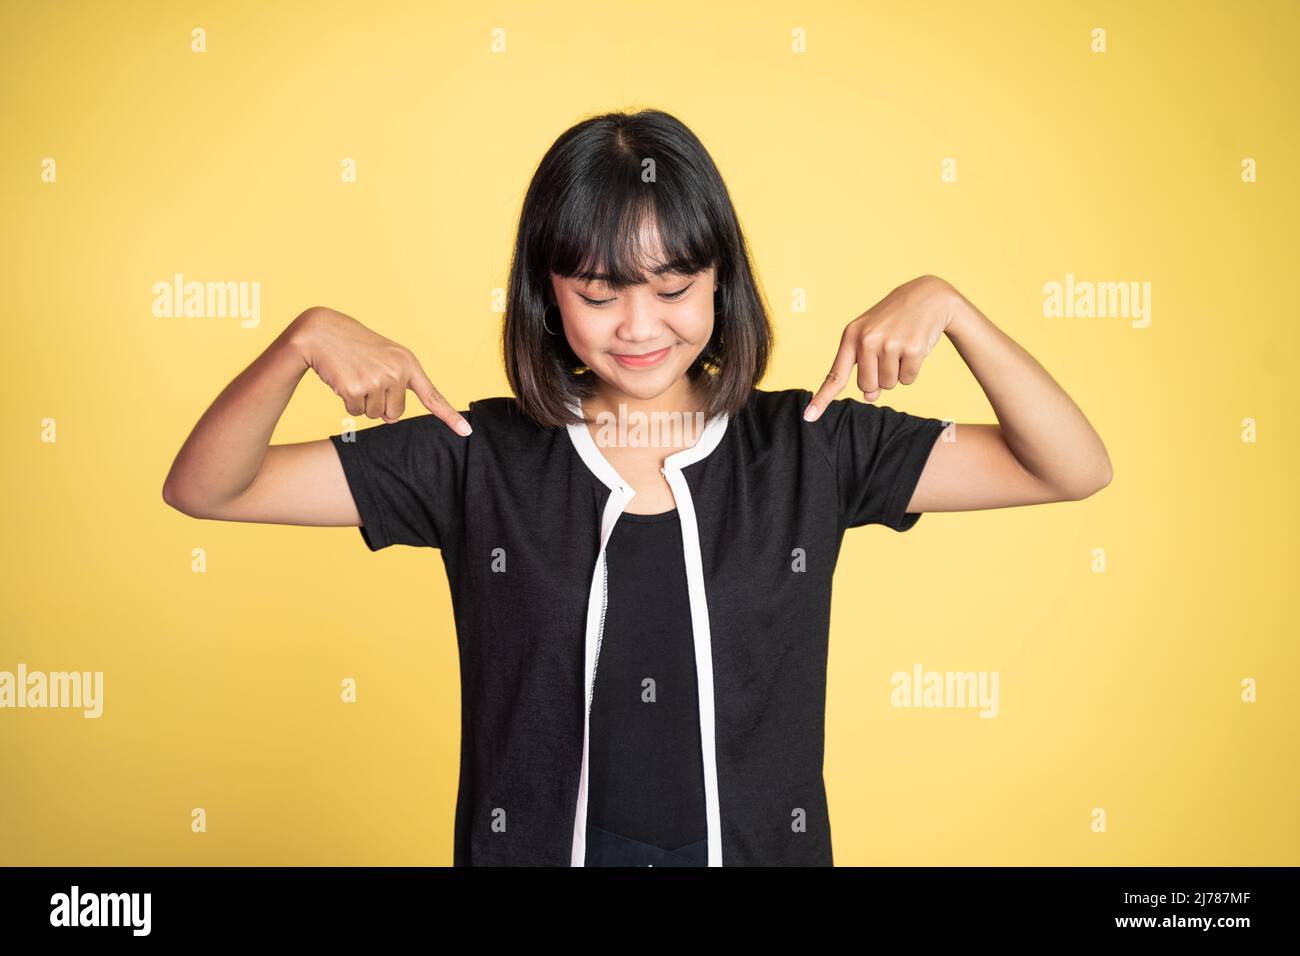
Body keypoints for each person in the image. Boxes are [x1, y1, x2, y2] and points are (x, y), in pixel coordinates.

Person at [162, 108, 1112, 867]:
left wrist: (953, 308)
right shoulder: (474, 455)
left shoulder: (810, 444)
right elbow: (209, 488)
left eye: (672, 286)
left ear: (720, 284)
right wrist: (298, 342)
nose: (638, 326)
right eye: (599, 289)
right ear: (546, 293)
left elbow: (1069, 466)